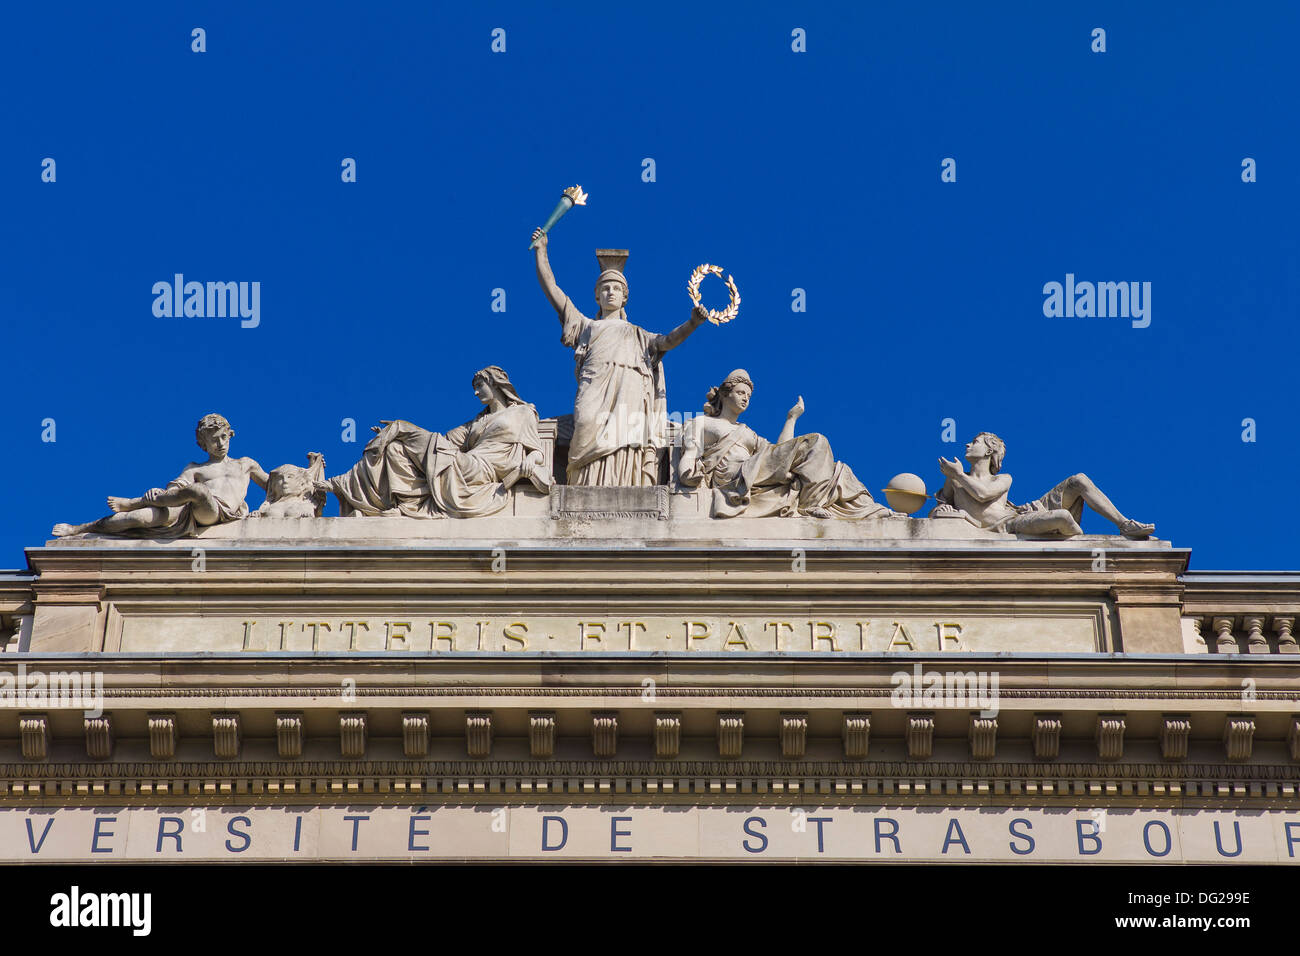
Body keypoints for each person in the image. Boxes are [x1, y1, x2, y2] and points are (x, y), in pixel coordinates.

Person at [531, 228, 709, 486]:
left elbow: (668, 341)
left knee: (626, 434)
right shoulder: (585, 326)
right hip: (595, 385)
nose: (610, 293)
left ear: (625, 297)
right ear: (596, 295)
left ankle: (627, 488)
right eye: (605, 288)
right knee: (587, 421)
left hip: (630, 387)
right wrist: (541, 252)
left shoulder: (638, 334)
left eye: (616, 288)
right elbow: (552, 290)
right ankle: (584, 487)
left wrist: (692, 323)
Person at [324, 366, 551, 519]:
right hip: (465, 463)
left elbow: (537, 452)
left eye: (479, 385)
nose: (475, 392)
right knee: (395, 449)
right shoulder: (477, 422)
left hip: (482, 471)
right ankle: (401, 503)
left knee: (414, 438)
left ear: (494, 383)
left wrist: (530, 461)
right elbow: (444, 441)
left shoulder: (522, 412)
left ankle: (398, 429)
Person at [678, 368, 896, 519]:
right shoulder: (702, 422)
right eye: (740, 393)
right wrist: (687, 471)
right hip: (735, 477)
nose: (746, 398)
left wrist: (791, 418)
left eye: (748, 395)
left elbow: (780, 452)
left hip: (754, 469)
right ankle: (810, 504)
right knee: (816, 442)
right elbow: (690, 451)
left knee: (839, 470)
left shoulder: (748, 433)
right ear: (725, 394)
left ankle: (863, 508)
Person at [52, 414, 266, 537]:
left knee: (198, 491)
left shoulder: (245, 464)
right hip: (187, 509)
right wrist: (162, 494)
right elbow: (175, 491)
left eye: (223, 437)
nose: (220, 444)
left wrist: (301, 475)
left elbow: (273, 485)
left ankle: (134, 502)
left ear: (230, 435)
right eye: (213, 440)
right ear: (203, 444)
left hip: (217, 512)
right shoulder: (196, 469)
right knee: (137, 518)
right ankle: (78, 528)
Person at [932, 431, 1155, 539]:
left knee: (1079, 480)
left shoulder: (1002, 478)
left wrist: (959, 474)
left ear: (989, 450)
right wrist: (942, 507)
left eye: (975, 442)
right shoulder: (954, 480)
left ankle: (1125, 524)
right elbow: (937, 510)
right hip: (1010, 526)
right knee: (1063, 517)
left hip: (1016, 516)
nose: (967, 444)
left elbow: (983, 494)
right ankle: (1066, 535)